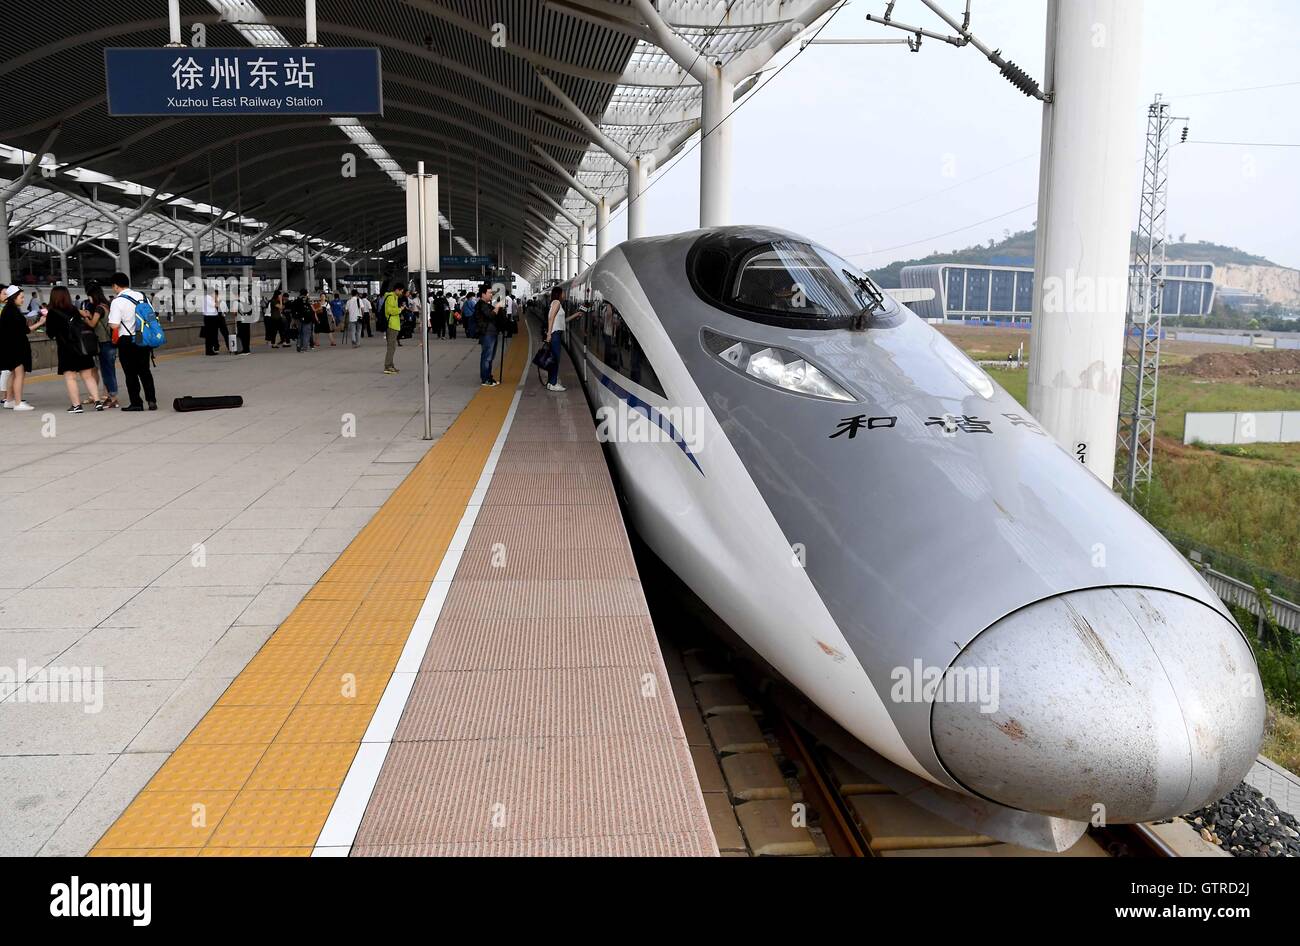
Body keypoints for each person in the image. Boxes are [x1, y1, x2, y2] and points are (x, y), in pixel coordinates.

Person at [44, 286, 103, 412]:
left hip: (66, 349)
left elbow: (50, 333)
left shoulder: (53, 313)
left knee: (70, 377)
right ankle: (97, 402)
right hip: (82, 347)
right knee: (87, 376)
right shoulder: (74, 310)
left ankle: (76, 405)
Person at [107, 273, 157, 412]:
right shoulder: (142, 296)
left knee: (130, 373)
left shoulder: (117, 301)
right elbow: (151, 315)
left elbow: (114, 325)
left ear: (116, 286)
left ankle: (136, 403)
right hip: (142, 336)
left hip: (127, 340)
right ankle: (151, 400)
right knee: (145, 370)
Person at [0, 286, 47, 411]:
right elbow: (24, 330)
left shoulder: (7, 310)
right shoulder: (13, 312)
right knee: (19, 373)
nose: (23, 300)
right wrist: (40, 323)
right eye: (21, 297)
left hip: (9, 346)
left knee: (13, 374)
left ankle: (9, 400)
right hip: (16, 346)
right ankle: (18, 402)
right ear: (14, 297)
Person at [82, 282, 119, 409]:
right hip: (111, 342)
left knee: (107, 372)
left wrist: (86, 317)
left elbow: (92, 324)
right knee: (110, 371)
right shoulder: (106, 306)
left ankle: (113, 398)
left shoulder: (98, 308)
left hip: (104, 343)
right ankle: (111, 396)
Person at [474, 283, 499, 387]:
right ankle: (485, 380)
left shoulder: (487, 304)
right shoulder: (481, 304)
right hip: (487, 334)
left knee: (490, 357)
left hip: (491, 333)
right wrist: (497, 307)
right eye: (489, 293)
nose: (491, 295)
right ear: (483, 294)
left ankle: (489, 377)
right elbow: (491, 315)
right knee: (486, 357)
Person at [544, 285, 568, 392]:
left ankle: (550, 383)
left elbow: (560, 320)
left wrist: (576, 315)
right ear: (559, 294)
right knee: (555, 360)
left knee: (553, 360)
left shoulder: (555, 303)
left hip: (555, 334)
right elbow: (551, 318)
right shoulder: (557, 303)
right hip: (555, 335)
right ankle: (553, 383)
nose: (565, 294)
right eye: (563, 292)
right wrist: (549, 334)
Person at [381, 284, 406, 375]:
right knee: (391, 347)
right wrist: (400, 309)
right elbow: (389, 311)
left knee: (392, 347)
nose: (401, 293)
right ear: (397, 290)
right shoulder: (391, 297)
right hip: (391, 325)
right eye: (401, 291)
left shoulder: (394, 297)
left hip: (394, 324)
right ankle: (387, 366)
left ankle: (391, 365)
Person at [202, 285, 230, 355]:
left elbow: (226, 310)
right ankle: (211, 349)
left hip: (217, 318)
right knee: (211, 335)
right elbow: (215, 305)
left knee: (216, 334)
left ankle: (215, 348)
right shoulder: (208, 298)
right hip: (210, 318)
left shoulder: (213, 299)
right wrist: (217, 301)